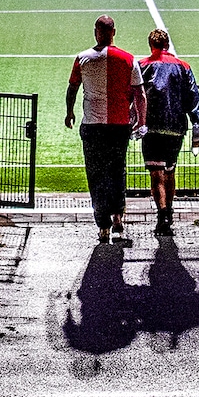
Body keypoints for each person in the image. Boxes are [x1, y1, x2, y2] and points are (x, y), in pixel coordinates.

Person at [64, 14, 144, 245]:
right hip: (119, 126)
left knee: (96, 175)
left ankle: (103, 226)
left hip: (92, 127)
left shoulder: (83, 58)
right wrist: (140, 118)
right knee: (117, 170)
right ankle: (118, 215)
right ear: (114, 32)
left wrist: (69, 112)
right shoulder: (128, 59)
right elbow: (139, 92)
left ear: (96, 32)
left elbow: (72, 88)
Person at [135, 28, 199, 231]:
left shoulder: (143, 65)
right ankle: (170, 211)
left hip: (152, 126)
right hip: (175, 126)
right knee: (169, 170)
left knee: (156, 172)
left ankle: (163, 215)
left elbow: (136, 94)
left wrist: (135, 121)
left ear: (151, 45)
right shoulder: (183, 67)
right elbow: (193, 97)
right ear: (167, 44)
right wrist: (196, 123)